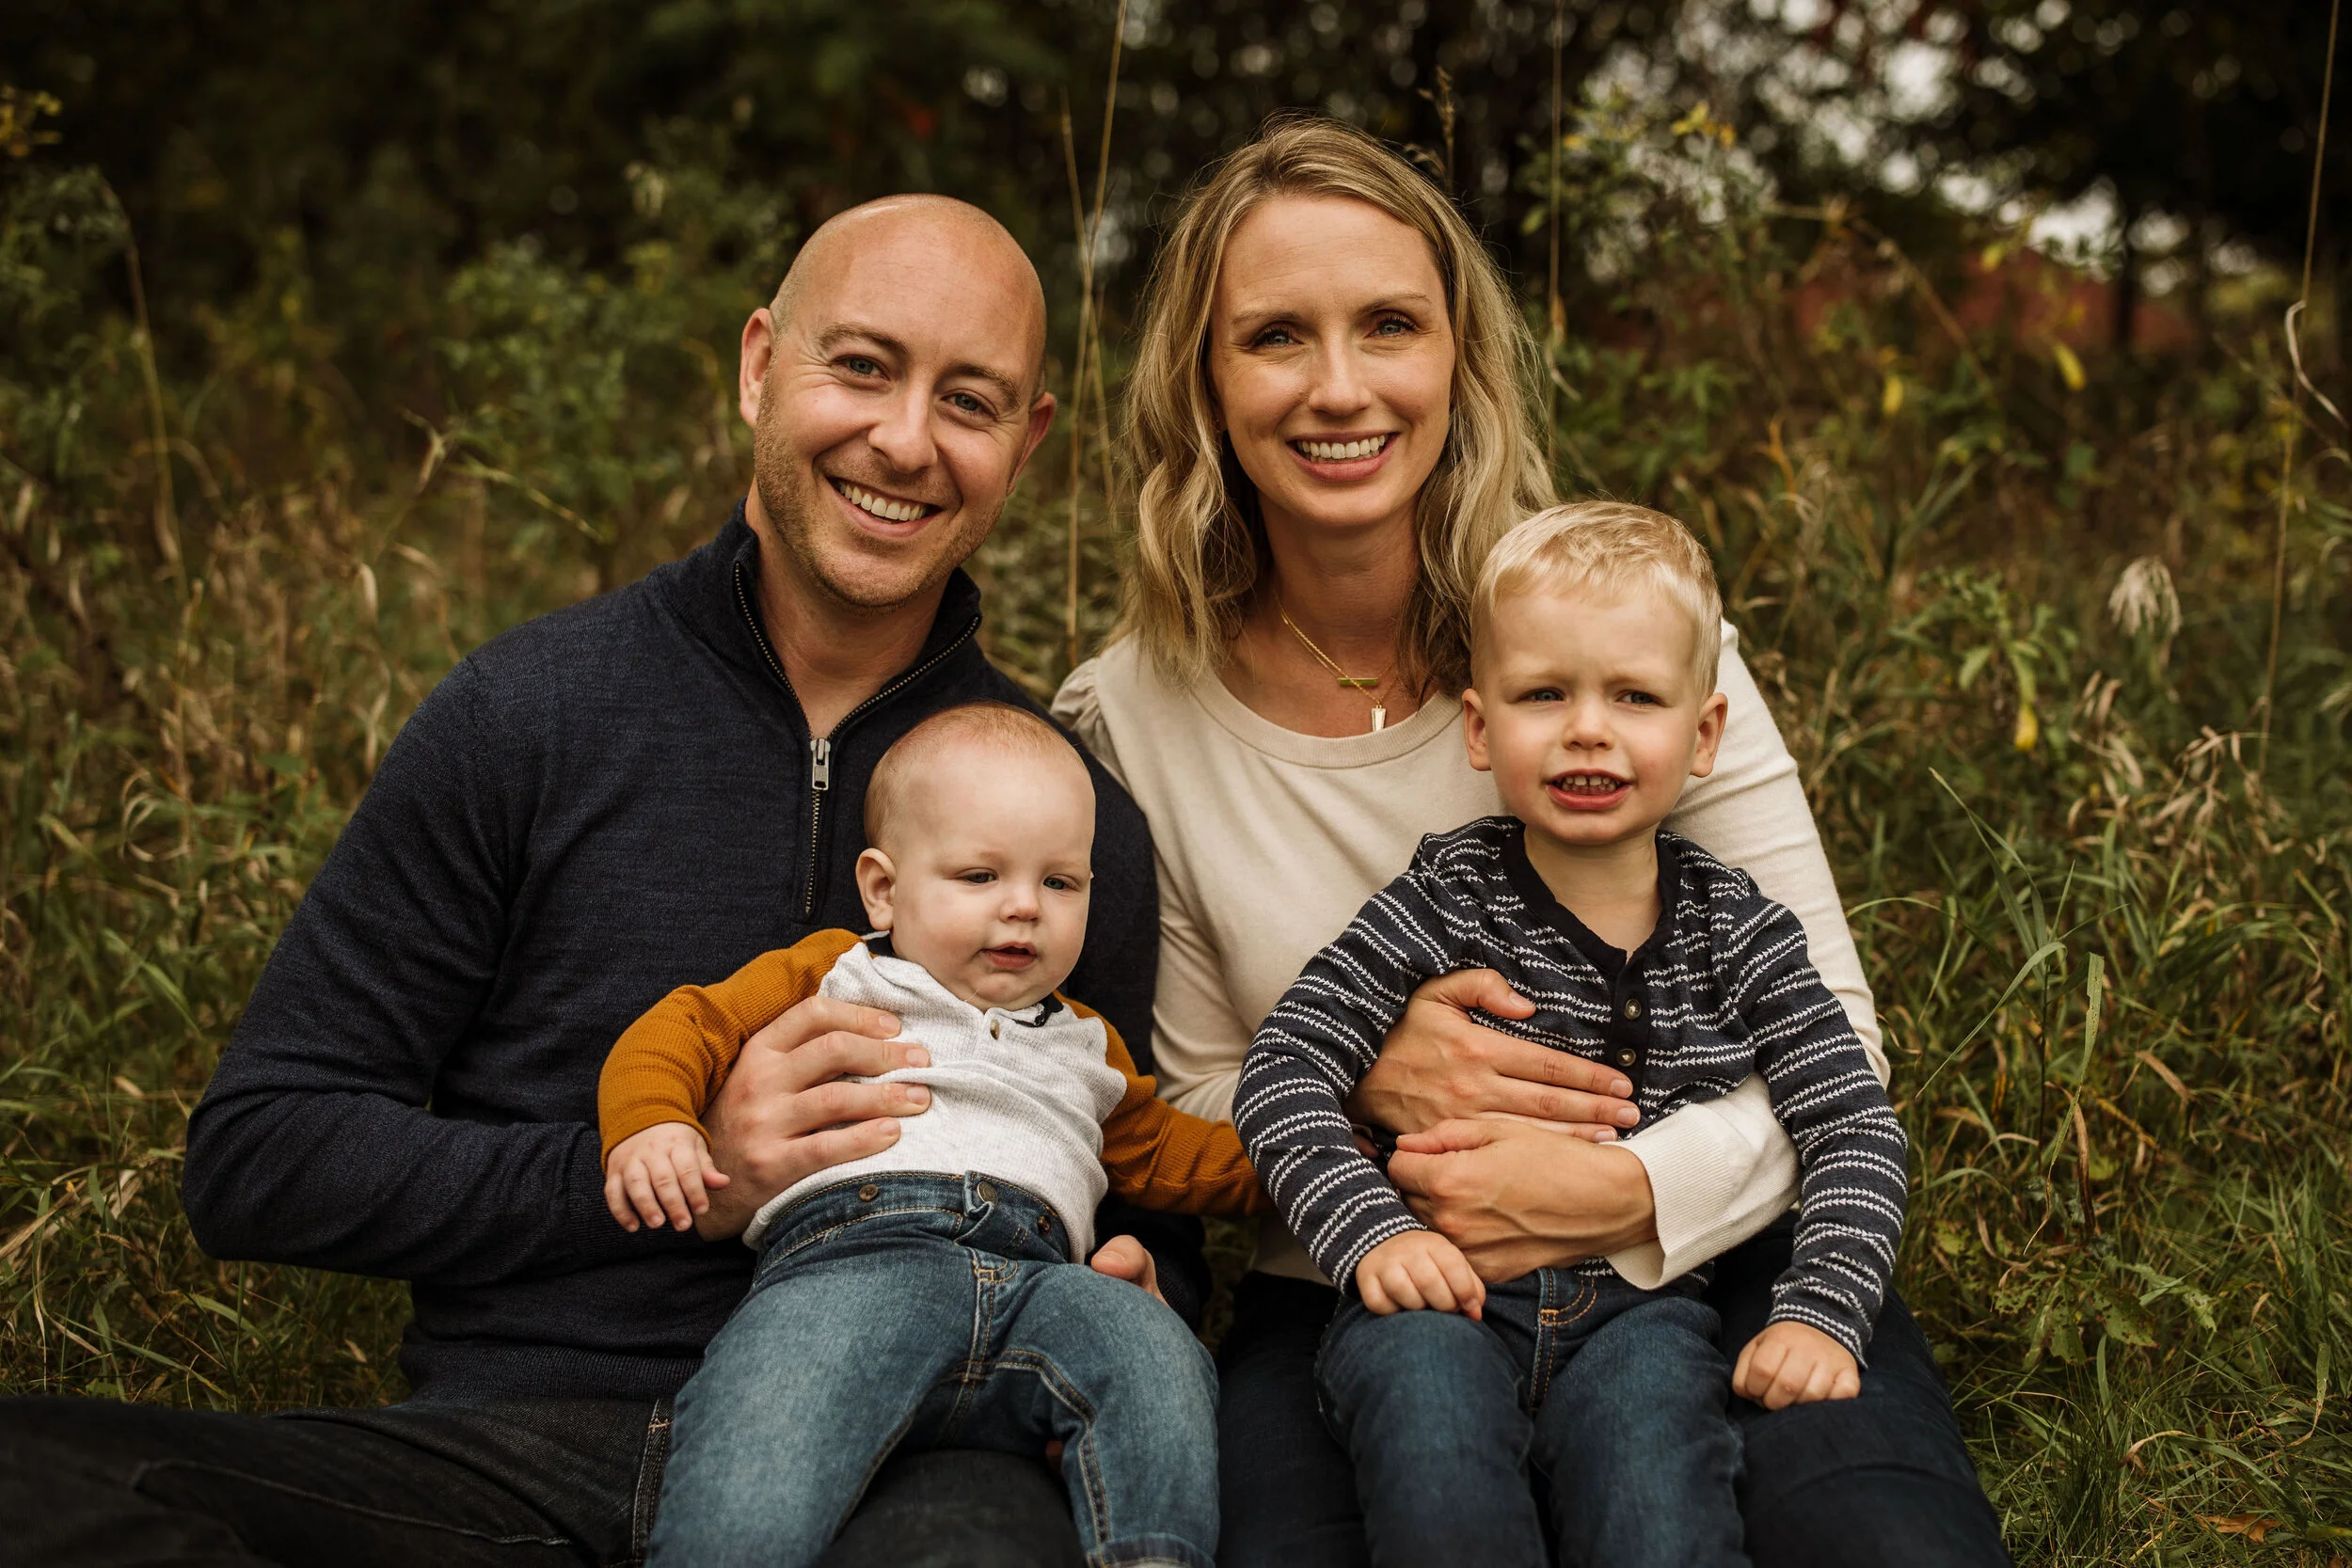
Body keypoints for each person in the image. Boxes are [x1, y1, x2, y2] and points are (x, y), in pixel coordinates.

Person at [0, 196, 1190, 1567]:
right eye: (860, 366)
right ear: (759, 364)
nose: (907, 440)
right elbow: (260, 1153)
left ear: (1026, 442)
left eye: (968, 400)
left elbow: (1145, 1179)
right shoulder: (532, 711)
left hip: (902, 1452)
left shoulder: (1063, 819)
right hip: (517, 1446)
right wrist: (667, 1169)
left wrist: (1134, 1270)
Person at [1052, 115, 2010, 1566]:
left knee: (1872, 1538)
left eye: (1390, 325)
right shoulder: (1132, 714)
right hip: (1361, 1271)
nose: (1341, 387)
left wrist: (1624, 1192)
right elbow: (1184, 1076)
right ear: (1204, 379)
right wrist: (1370, 1080)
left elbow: (1842, 1046)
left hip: (1710, 1247)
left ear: (1459, 357)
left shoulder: (1625, 639)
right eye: (1273, 337)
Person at [1234, 502, 1909, 1566]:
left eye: (1633, 696)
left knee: (1660, 1509)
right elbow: (1282, 1071)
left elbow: (1854, 1126)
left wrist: (1822, 1310)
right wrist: (1374, 1232)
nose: (1586, 727)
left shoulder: (1742, 930)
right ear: (1478, 725)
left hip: (1638, 1311)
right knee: (1439, 1477)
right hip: (1438, 1297)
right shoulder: (1443, 898)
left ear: (1702, 736)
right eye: (1543, 693)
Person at [597, 703, 1262, 1567]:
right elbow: (684, 1027)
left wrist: (1316, 1160)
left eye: (1060, 883)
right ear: (884, 886)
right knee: (768, 1421)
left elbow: (1174, 1154)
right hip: (857, 1263)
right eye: (980, 876)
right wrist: (653, 1125)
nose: (1024, 907)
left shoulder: (1086, 1041)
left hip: (1043, 1282)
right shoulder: (840, 969)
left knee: (1151, 1350)